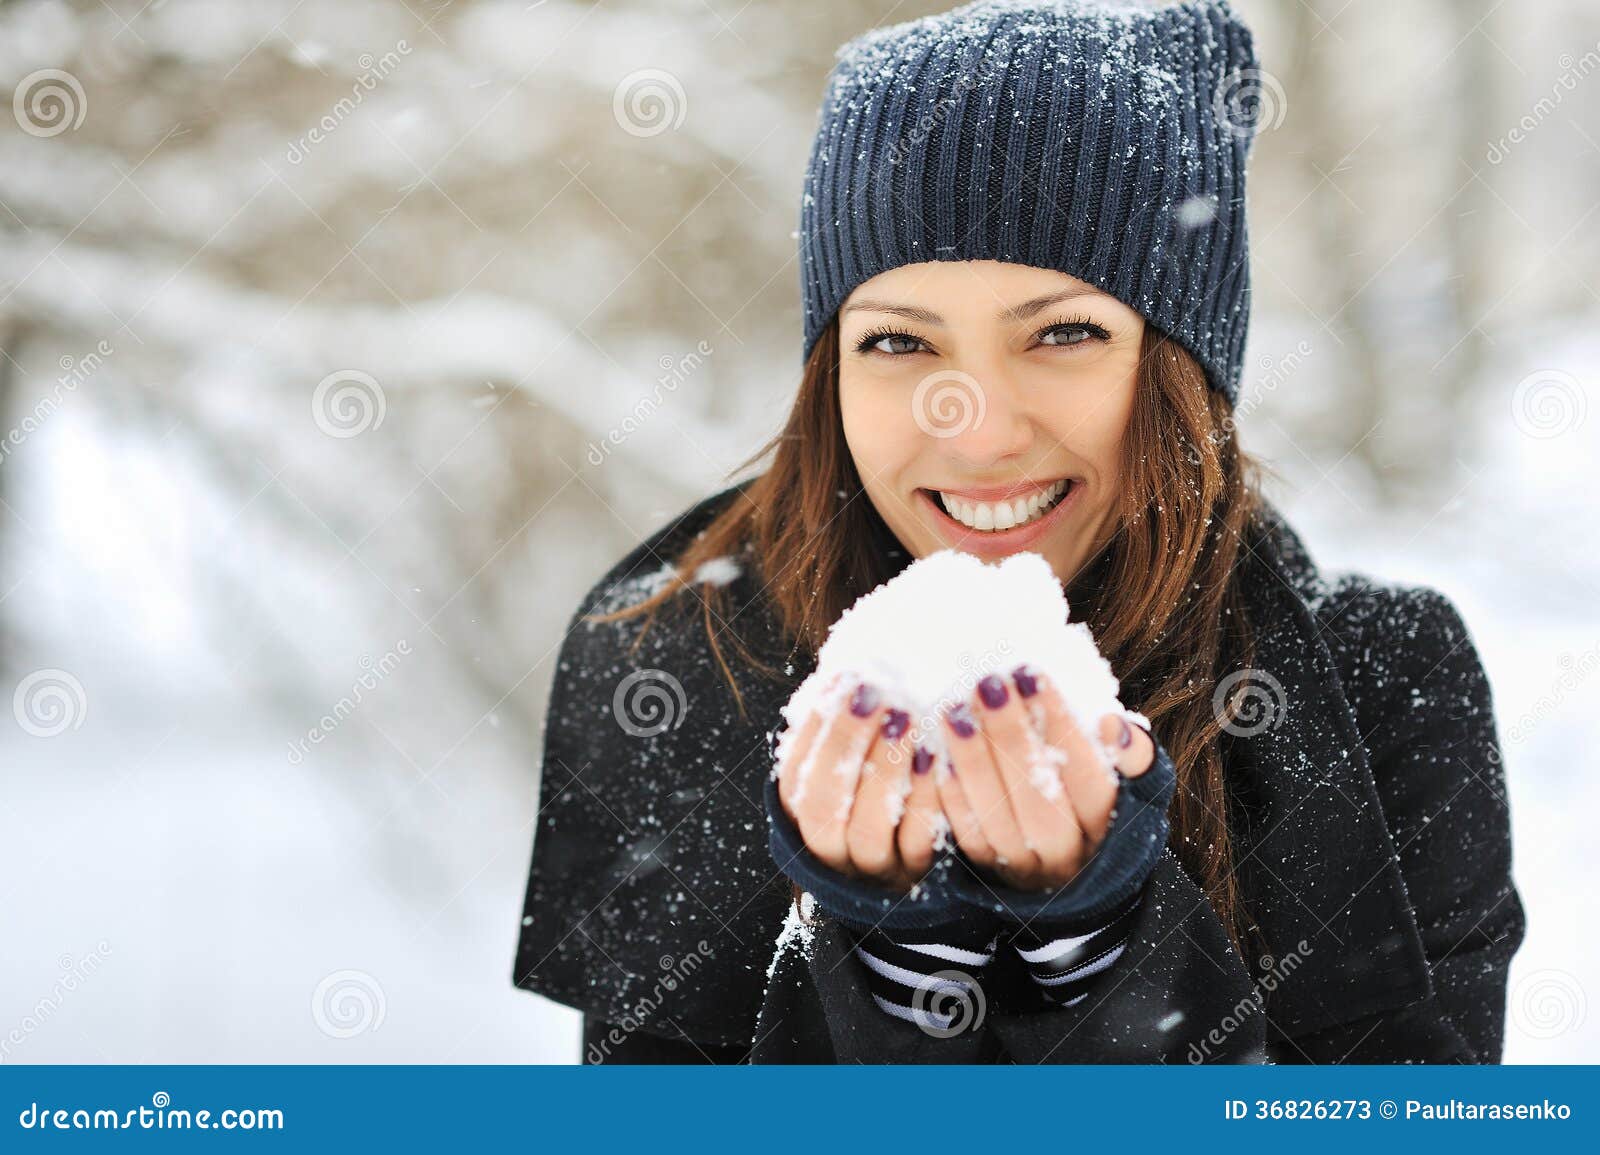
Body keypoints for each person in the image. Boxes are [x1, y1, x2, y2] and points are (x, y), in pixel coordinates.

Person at [511, 0, 1524, 1064]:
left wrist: (1100, 947)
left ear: (1183, 367)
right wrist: (899, 962)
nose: (978, 429)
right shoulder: (681, 660)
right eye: (900, 342)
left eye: (1065, 333)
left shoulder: (1379, 689)